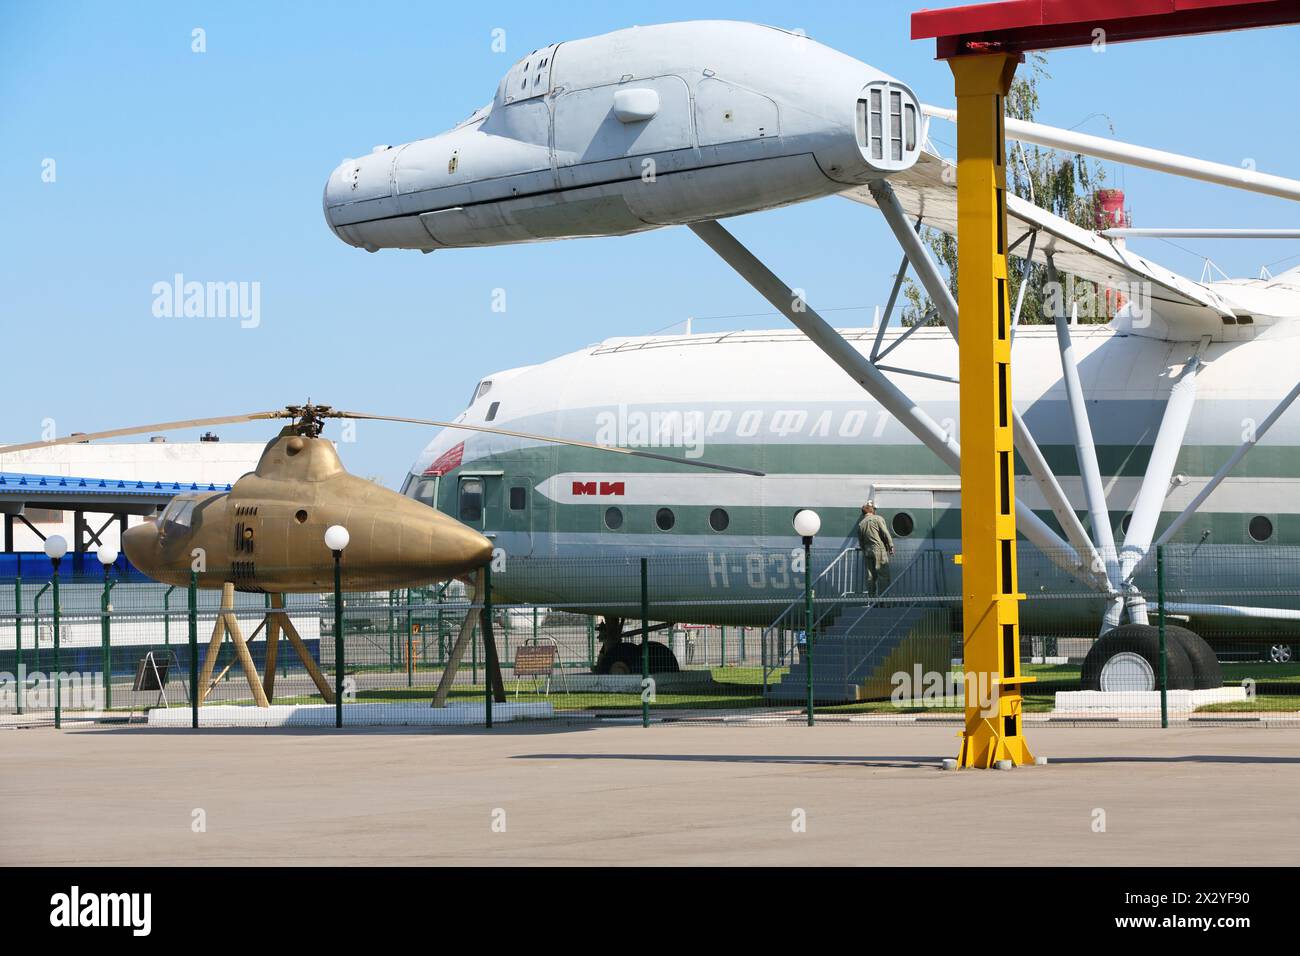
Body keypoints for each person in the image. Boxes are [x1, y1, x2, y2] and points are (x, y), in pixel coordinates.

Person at [856, 501, 894, 597]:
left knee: (870, 576)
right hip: (878, 549)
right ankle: (883, 601)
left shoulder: (861, 524)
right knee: (883, 575)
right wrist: (891, 546)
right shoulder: (877, 518)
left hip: (867, 551)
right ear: (872, 511)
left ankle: (872, 600)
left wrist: (864, 549)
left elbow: (860, 541)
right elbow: (885, 533)